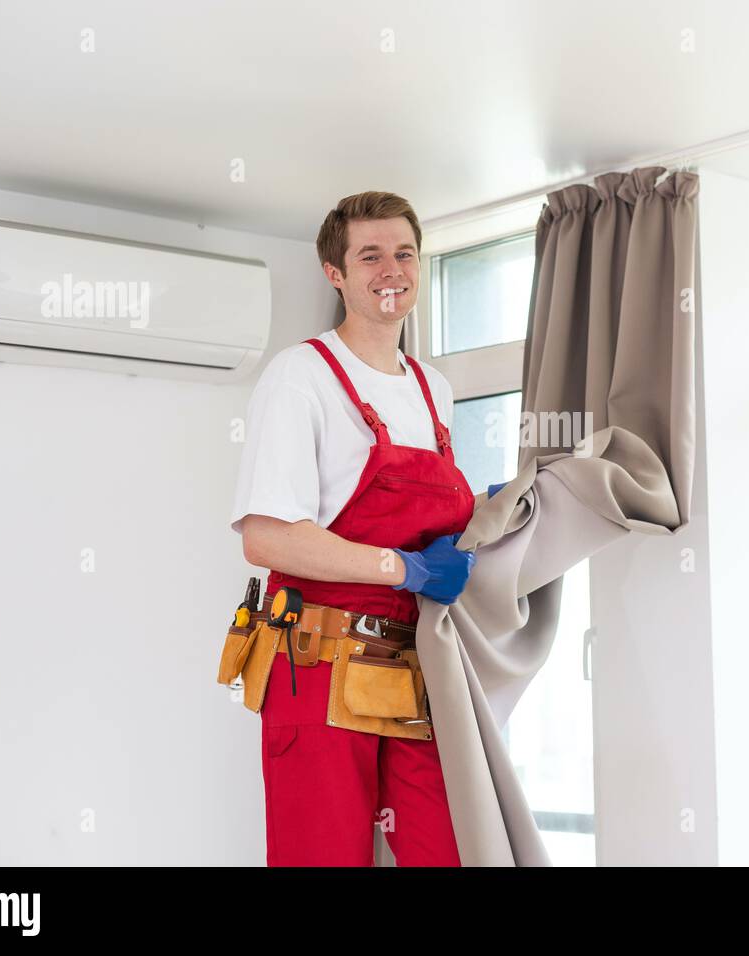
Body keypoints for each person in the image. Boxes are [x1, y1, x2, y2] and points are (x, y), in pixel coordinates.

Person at [230, 191, 482, 866]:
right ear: (334, 272)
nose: (390, 269)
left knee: (443, 851)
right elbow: (267, 537)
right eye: (369, 255)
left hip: (412, 664)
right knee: (324, 855)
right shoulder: (301, 377)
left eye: (404, 253)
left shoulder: (434, 389)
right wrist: (404, 568)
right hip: (315, 662)